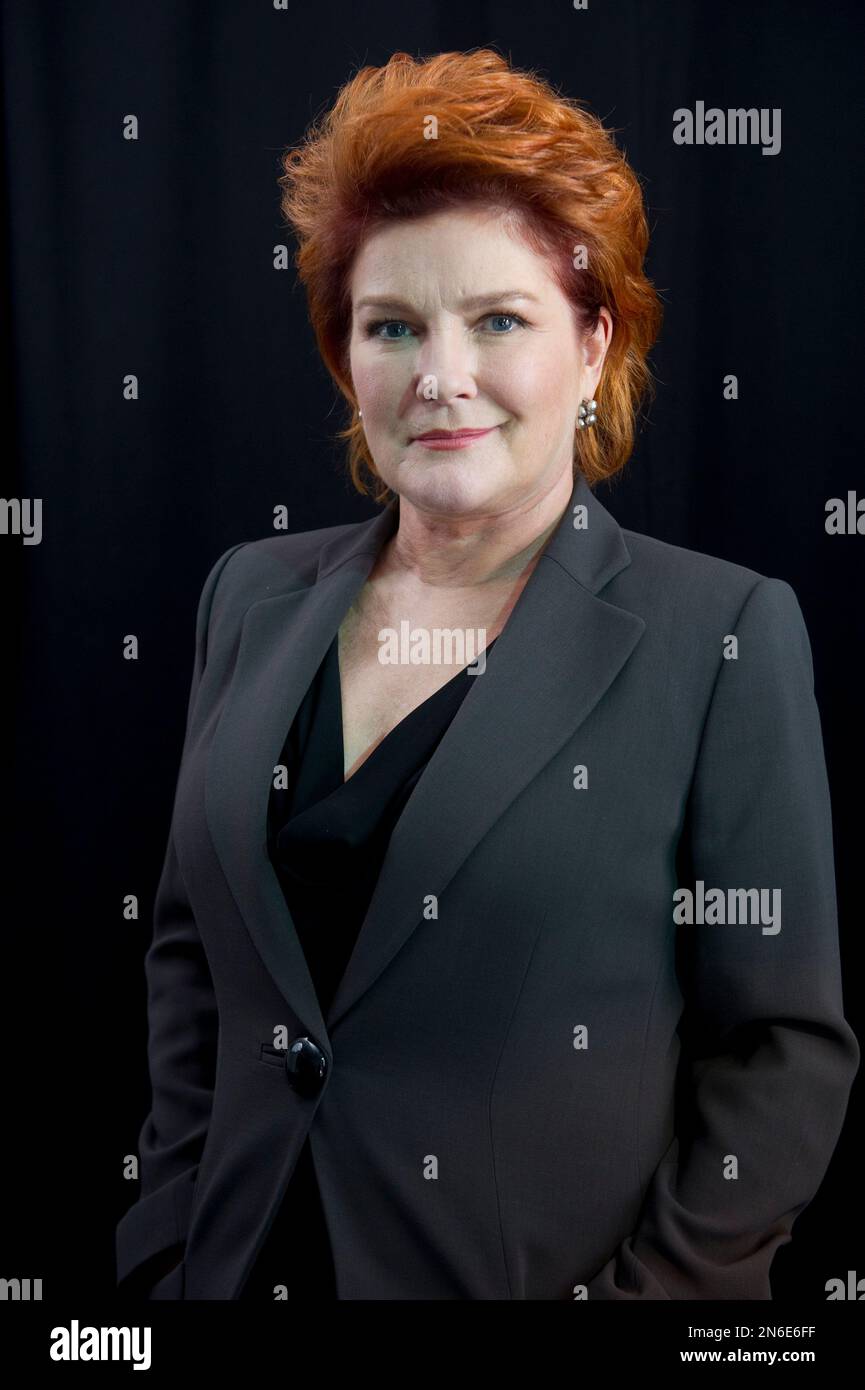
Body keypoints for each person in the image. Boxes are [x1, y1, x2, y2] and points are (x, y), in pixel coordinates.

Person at [116, 48, 858, 1301]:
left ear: (593, 347)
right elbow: (195, 967)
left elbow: (779, 1054)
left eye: (499, 320)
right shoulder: (247, 595)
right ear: (346, 359)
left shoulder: (722, 631)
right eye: (392, 326)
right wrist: (163, 1252)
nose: (438, 376)